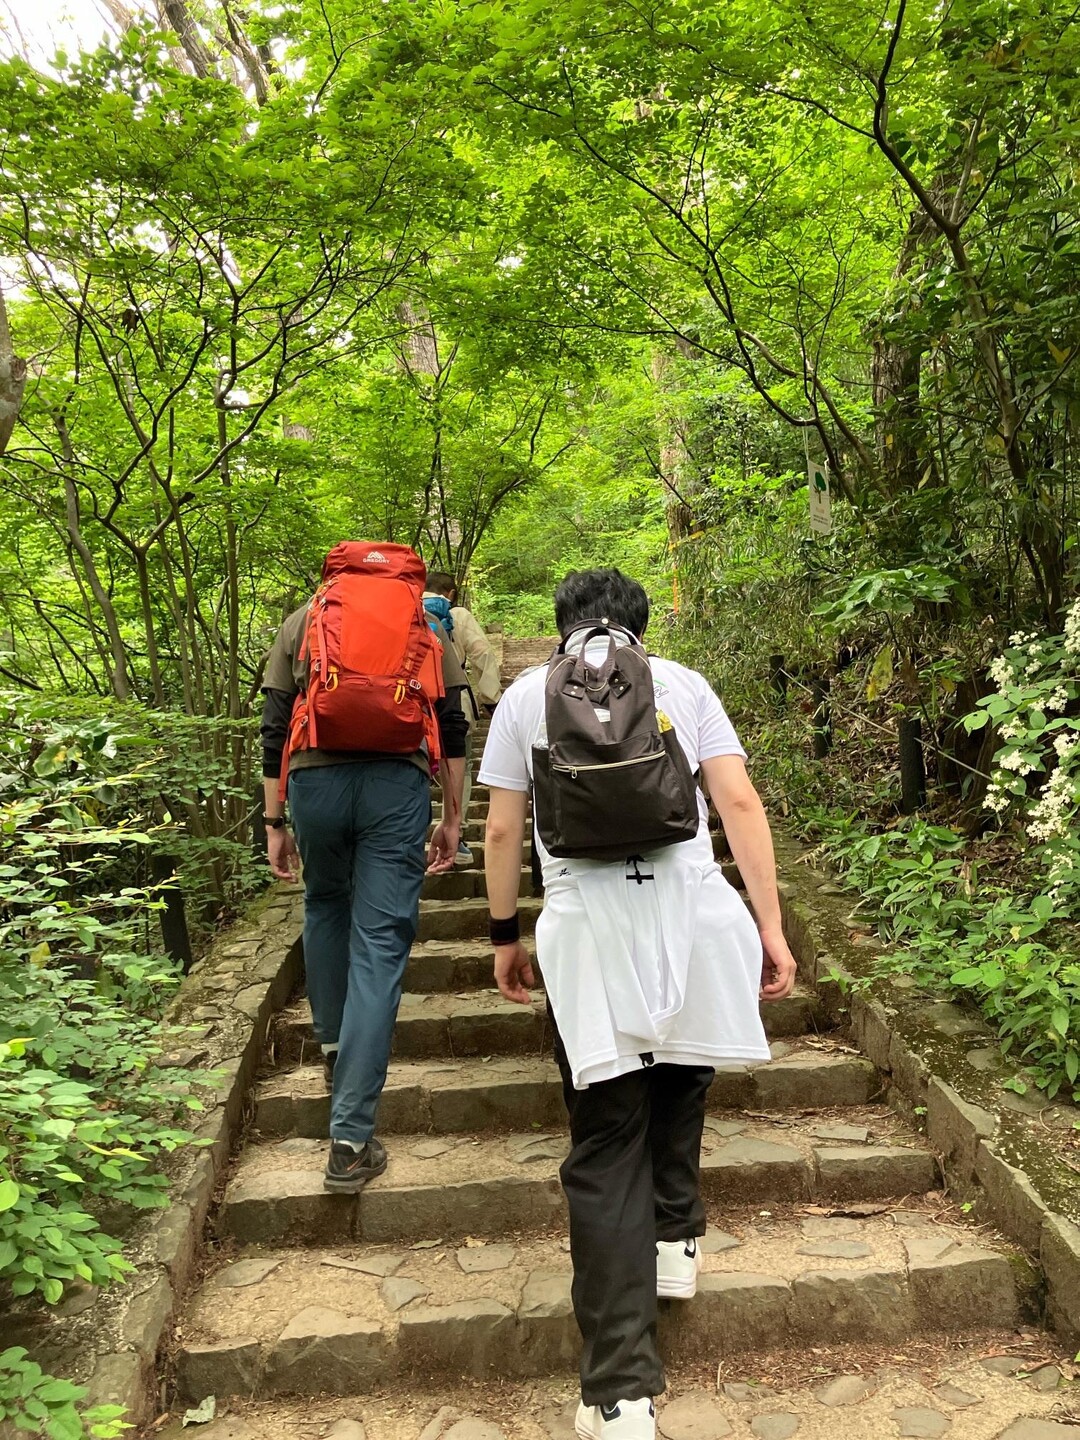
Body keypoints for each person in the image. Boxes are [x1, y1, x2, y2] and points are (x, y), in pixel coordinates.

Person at [478, 568, 798, 1440]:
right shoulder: (685, 685)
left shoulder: (521, 702)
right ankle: (677, 1240)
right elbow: (736, 801)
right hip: (694, 911)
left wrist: (505, 934)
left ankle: (619, 1393)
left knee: (606, 1135)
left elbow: (503, 829)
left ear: (561, 628)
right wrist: (769, 927)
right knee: (684, 1075)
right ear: (640, 628)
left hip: (586, 926)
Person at [260, 547, 468, 1194]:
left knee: (324, 905)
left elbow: (272, 726)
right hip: (395, 785)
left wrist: (273, 824)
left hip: (314, 784)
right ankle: (350, 1141)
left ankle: (331, 1049)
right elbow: (454, 726)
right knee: (380, 944)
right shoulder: (425, 624)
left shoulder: (306, 618)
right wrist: (453, 819)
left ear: (335, 574)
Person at [423, 571, 503, 869]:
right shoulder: (455, 614)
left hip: (408, 705)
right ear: (451, 592)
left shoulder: (402, 610)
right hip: (454, 703)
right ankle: (456, 835)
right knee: (461, 765)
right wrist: (490, 698)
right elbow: (483, 654)